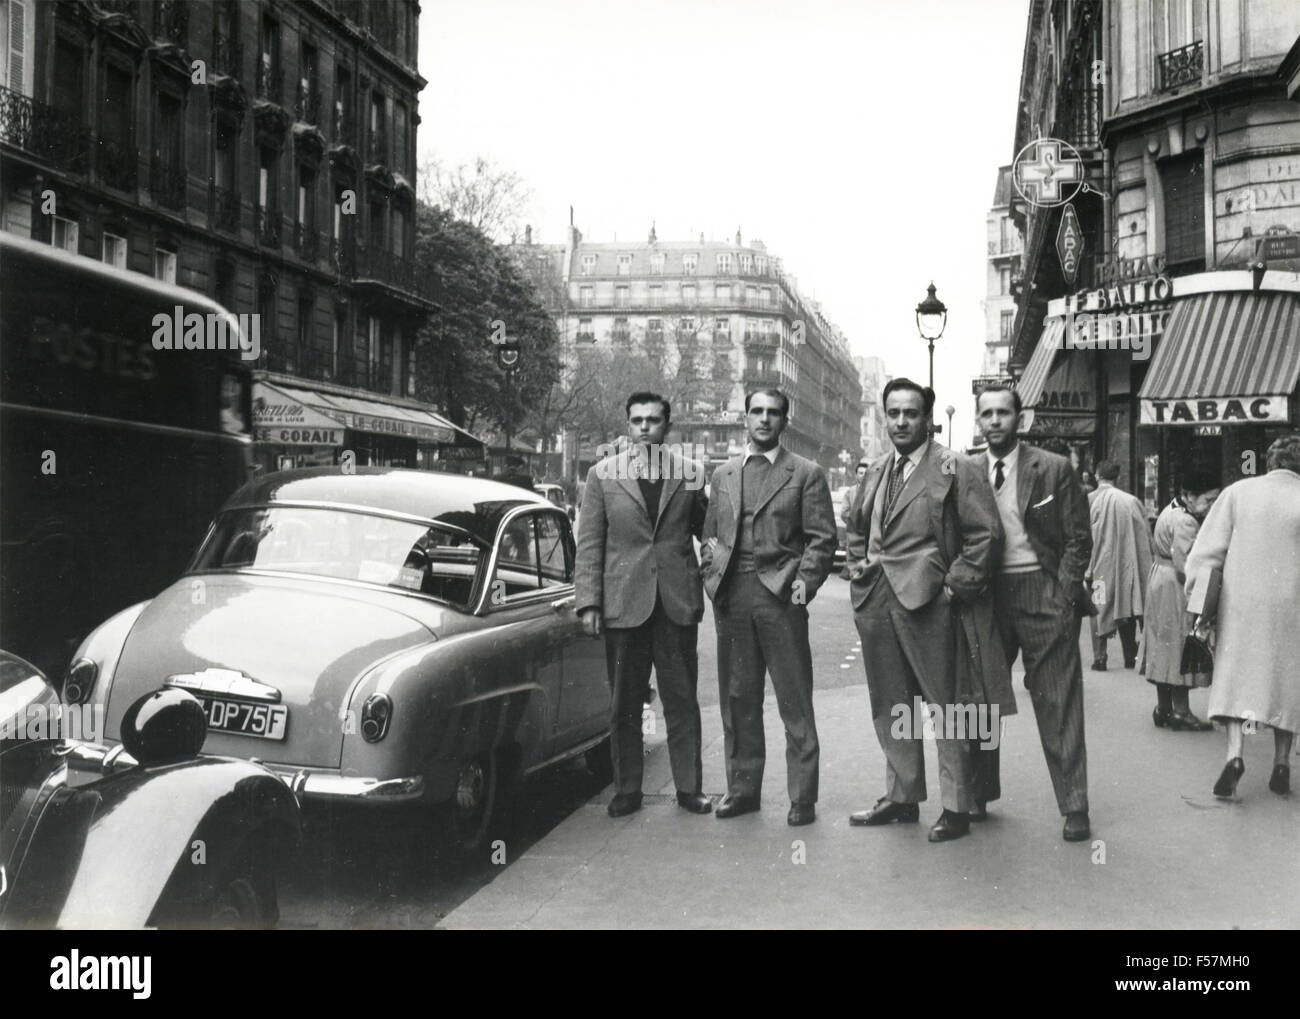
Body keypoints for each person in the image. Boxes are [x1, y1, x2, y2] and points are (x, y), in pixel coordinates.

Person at [845, 379, 1003, 843]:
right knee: (892, 704)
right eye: (892, 413)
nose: (900, 422)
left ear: (927, 418)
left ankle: (956, 807)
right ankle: (902, 796)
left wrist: (954, 589)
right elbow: (857, 526)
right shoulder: (876, 469)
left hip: (931, 602)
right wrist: (859, 567)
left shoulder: (955, 467)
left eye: (910, 413)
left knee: (946, 705)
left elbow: (986, 534)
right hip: (878, 600)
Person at [700, 388, 837, 826]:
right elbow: (709, 538)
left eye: (773, 413)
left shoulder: (806, 473)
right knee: (738, 698)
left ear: (784, 420)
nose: (764, 419)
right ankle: (742, 790)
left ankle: (802, 797)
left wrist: (801, 588)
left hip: (780, 599)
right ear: (745, 418)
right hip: (733, 597)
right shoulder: (722, 474)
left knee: (794, 699)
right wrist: (712, 577)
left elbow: (822, 540)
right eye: (756, 412)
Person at [574, 392, 711, 817]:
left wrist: (711, 582)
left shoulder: (690, 474)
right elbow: (590, 543)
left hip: (674, 603)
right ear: (628, 425)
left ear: (668, 426)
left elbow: (707, 535)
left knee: (682, 700)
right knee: (625, 704)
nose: (645, 428)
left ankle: (690, 789)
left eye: (654, 420)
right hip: (623, 604)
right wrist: (589, 604)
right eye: (637, 421)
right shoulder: (602, 475)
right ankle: (627, 789)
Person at [974, 384, 1094, 842]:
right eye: (988, 414)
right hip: (988, 596)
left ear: (1019, 419)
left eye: (1004, 412)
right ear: (979, 422)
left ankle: (1075, 805)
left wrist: (1063, 595)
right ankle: (978, 794)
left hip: (1041, 590)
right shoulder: (966, 471)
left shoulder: (1054, 468)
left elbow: (1078, 537)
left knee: (1057, 699)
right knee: (981, 697)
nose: (996, 421)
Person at [1184, 434, 1300, 800]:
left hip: (1241, 604)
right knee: (1288, 679)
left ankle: (1235, 756)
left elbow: (1206, 554)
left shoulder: (1237, 493)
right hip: (1291, 604)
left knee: (1237, 678)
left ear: (1270, 462)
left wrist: (1198, 603)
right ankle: (1282, 763)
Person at [1139, 471, 1221, 730]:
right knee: (1179, 645)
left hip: (1159, 581)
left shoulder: (1169, 510)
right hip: (1175, 586)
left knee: (1163, 645)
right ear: (1189, 496)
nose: (1210, 506)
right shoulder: (1186, 522)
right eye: (1208, 500)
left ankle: (1163, 708)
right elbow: (1186, 565)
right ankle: (1181, 712)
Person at [1087, 460, 1153, 671]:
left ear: (1097, 475)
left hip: (1098, 567)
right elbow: (1146, 535)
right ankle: (1130, 655)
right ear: (1117, 477)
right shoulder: (1132, 501)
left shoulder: (1089, 500)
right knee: (1129, 605)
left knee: (1098, 607)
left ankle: (1100, 657)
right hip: (1128, 564)